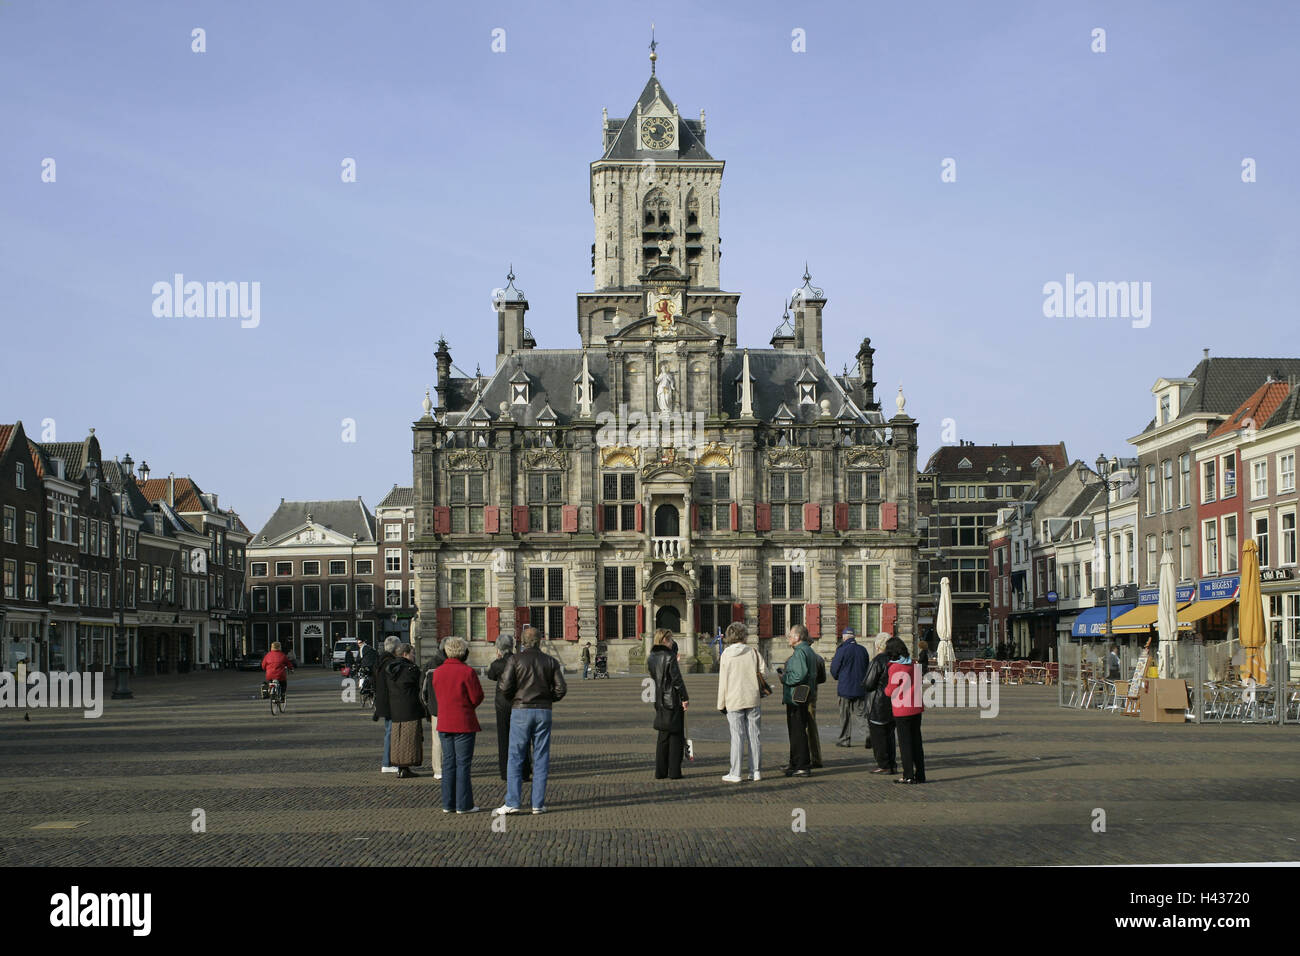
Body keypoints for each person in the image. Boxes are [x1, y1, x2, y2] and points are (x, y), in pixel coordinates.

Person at [495, 626, 567, 815]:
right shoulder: (550, 661)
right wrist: (547, 699)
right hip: (543, 711)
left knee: (516, 756)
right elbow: (561, 688)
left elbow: (504, 686)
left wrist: (515, 699)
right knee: (541, 757)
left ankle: (512, 802)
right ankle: (537, 804)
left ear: (522, 642)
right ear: (540, 641)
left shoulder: (515, 659)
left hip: (520, 711)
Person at [432, 636, 484, 813]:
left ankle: (448, 803)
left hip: (445, 722)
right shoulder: (467, 672)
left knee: (448, 764)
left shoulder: (437, 672)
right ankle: (464, 804)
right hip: (463, 722)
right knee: (463, 765)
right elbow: (476, 697)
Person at [716, 621, 766, 782]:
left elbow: (723, 681)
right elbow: (763, 672)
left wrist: (721, 703)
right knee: (754, 735)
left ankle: (735, 772)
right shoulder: (753, 651)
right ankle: (755, 771)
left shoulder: (725, 655)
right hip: (752, 697)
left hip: (733, 698)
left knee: (737, 736)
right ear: (744, 635)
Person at [485, 634, 531, 781]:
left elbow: (491, 676)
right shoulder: (519, 660)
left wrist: (498, 658)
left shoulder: (497, 664)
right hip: (519, 702)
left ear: (498, 648)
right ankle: (524, 771)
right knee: (522, 737)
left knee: (504, 738)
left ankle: (505, 772)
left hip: (502, 704)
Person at [648, 628, 690, 779]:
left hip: (659, 700)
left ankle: (660, 772)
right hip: (672, 700)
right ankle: (674, 772)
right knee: (676, 736)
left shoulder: (651, 657)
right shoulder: (670, 657)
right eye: (671, 639)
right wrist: (684, 698)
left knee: (663, 736)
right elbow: (677, 680)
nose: (673, 642)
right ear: (665, 640)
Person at [379, 643, 425, 779]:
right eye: (412, 653)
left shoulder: (389, 669)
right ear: (405, 654)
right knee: (410, 739)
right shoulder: (411, 669)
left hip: (395, 709)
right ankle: (406, 767)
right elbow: (420, 686)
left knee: (397, 739)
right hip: (410, 708)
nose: (414, 656)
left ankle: (399, 766)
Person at [885, 636, 926, 784]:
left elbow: (890, 690)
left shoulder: (895, 667)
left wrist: (885, 690)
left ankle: (908, 775)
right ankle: (920, 774)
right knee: (917, 743)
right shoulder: (913, 664)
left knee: (905, 744)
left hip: (902, 710)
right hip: (916, 707)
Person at [778, 624, 817, 777]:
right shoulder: (809, 651)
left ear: (798, 637)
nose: (788, 638)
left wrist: (784, 678)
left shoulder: (800, 652)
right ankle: (795, 763)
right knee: (797, 730)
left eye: (790, 635)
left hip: (797, 695)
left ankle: (802, 765)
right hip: (804, 693)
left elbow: (799, 675)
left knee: (797, 731)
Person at [862, 634, 897, 774]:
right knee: (890, 735)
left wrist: (863, 684)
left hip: (877, 702)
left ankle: (883, 764)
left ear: (878, 646)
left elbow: (868, 683)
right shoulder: (894, 659)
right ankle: (892, 763)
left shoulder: (878, 660)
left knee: (878, 736)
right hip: (892, 702)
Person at [830, 626, 869, 747]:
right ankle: (869, 735)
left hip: (845, 688)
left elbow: (834, 669)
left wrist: (838, 677)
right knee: (861, 715)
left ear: (844, 637)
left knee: (845, 716)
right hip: (860, 688)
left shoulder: (841, 650)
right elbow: (867, 668)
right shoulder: (863, 650)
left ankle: (845, 739)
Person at [371, 636, 401, 773]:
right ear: (396, 649)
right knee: (390, 732)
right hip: (390, 702)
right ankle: (387, 762)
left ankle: (388, 761)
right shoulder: (390, 663)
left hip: (383, 701)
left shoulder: (380, 661)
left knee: (389, 731)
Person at [420, 639, 448, 779]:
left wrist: (428, 705)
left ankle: (438, 769)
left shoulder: (429, 665)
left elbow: (422, 690)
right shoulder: (455, 664)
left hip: (435, 707)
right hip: (451, 708)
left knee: (437, 740)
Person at [804, 627, 826, 769]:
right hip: (814, 695)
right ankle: (816, 757)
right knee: (812, 727)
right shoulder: (818, 658)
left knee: (804, 728)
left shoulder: (799, 657)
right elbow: (822, 678)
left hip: (802, 696)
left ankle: (805, 759)